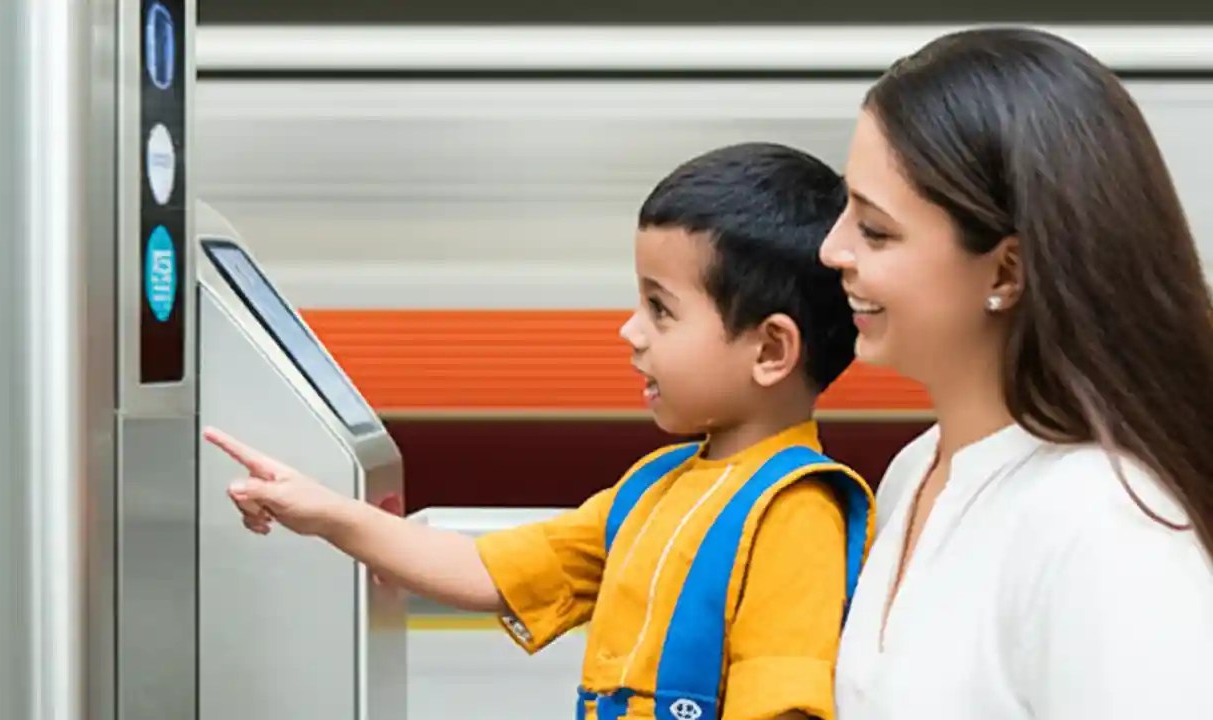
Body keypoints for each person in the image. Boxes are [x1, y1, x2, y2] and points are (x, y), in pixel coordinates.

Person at [205, 142, 876, 720]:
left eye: (660, 310)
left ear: (770, 351)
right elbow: (482, 571)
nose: (630, 331)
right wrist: (325, 513)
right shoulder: (651, 492)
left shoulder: (796, 514)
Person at [820, 27, 1213, 719]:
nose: (831, 249)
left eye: (875, 230)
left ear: (1006, 269)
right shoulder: (916, 472)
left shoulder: (1109, 529)